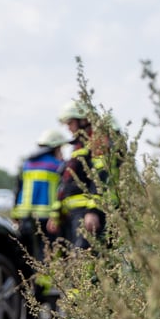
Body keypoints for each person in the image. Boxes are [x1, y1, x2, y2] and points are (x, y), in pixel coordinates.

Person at [13, 129, 67, 319]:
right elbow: (61, 193)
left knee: (28, 271)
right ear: (55, 147)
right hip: (48, 223)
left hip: (26, 222)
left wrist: (16, 216)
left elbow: (18, 191)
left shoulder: (27, 164)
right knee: (48, 268)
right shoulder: (57, 166)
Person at [47, 100, 107, 250]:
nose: (68, 127)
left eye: (70, 123)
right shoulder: (79, 146)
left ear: (83, 120)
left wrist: (92, 211)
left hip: (86, 213)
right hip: (73, 215)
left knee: (84, 257)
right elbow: (65, 184)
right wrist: (56, 214)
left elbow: (100, 178)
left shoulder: (96, 143)